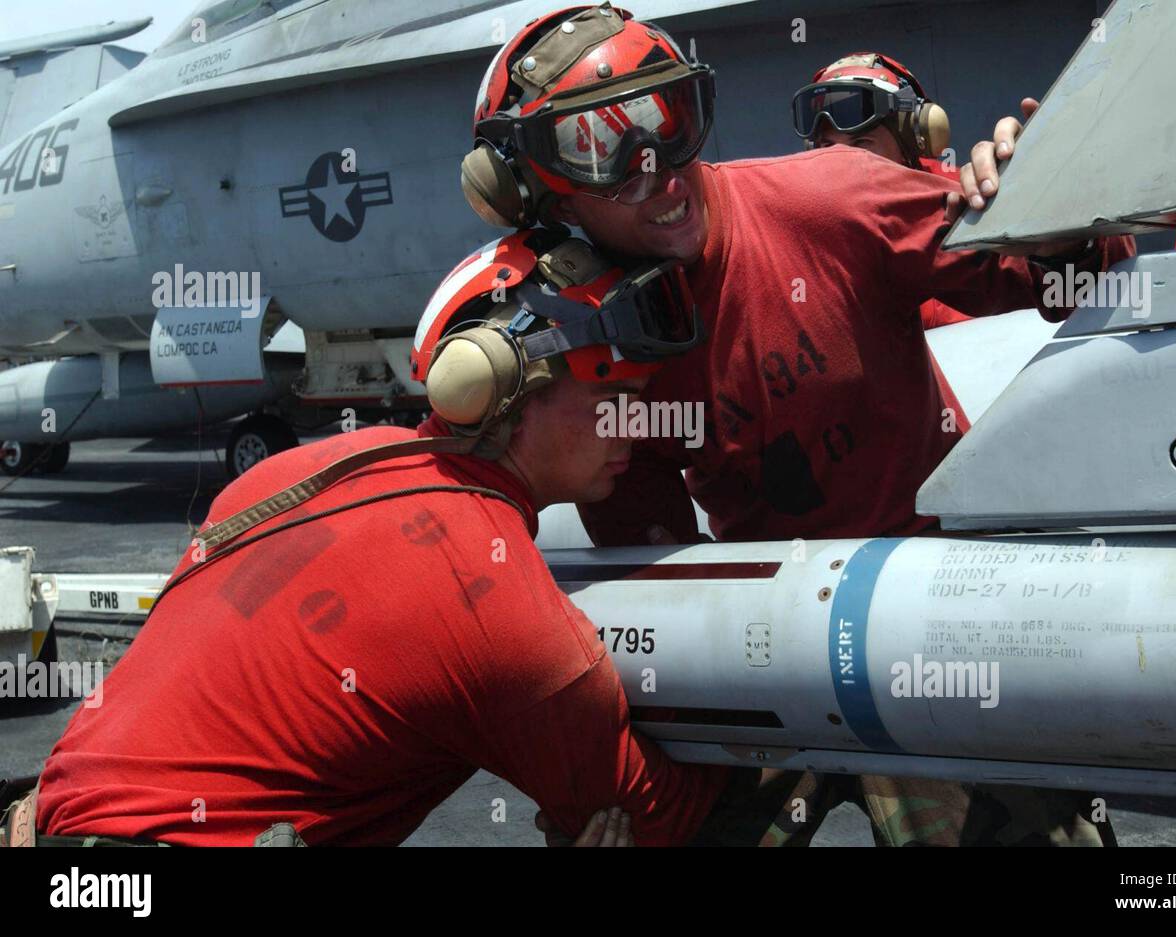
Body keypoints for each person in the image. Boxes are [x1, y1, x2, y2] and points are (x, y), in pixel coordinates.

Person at [461, 3, 1136, 846]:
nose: (657, 171)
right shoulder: (599, 348)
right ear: (535, 190)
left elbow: (1076, 281)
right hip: (759, 634)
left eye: (666, 121)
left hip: (930, 611)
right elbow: (649, 563)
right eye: (598, 149)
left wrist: (1064, 214)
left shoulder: (836, 201)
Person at [17, 230, 728, 846]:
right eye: (614, 399)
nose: (631, 427)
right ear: (509, 385)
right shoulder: (490, 594)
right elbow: (654, 820)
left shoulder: (288, 474)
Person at [792, 51, 968, 328]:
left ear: (911, 140)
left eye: (861, 144)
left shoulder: (971, 200)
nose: (840, 166)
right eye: (827, 149)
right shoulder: (798, 239)